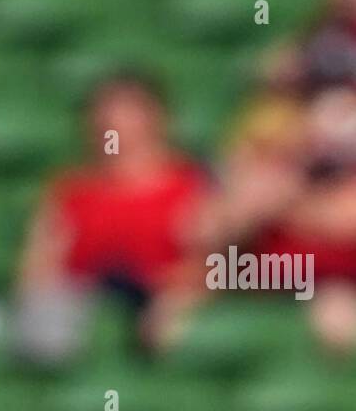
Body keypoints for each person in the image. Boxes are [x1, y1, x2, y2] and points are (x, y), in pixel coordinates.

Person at [15, 72, 211, 360]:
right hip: (83, 307)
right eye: (103, 111)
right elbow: (39, 267)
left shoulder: (190, 186)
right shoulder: (71, 191)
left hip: (157, 302)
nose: (109, 121)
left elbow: (205, 262)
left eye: (125, 110)